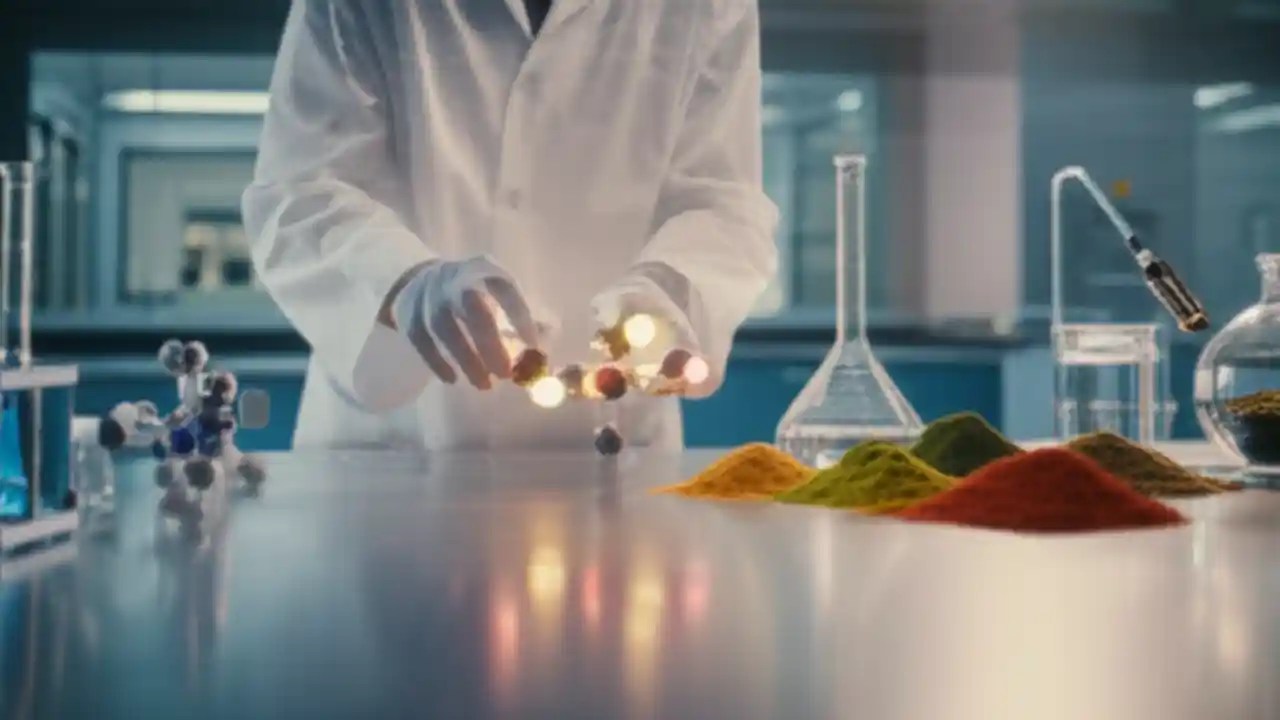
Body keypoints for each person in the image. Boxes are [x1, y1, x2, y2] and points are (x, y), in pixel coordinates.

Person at [243, 0, 778, 451]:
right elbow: (298, 194)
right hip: (400, 450)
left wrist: (671, 283)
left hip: (612, 445)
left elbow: (722, 200)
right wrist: (405, 281)